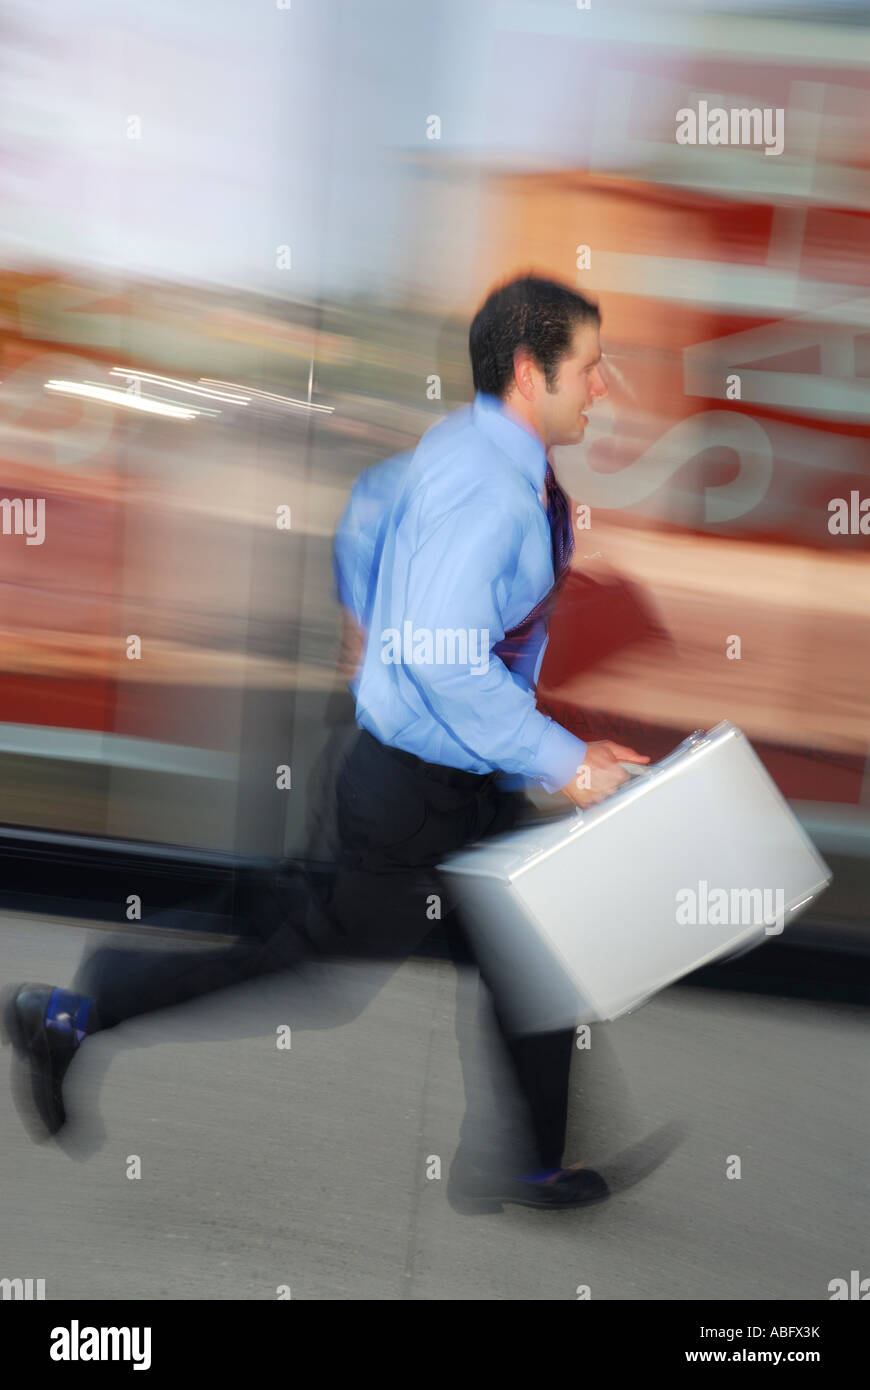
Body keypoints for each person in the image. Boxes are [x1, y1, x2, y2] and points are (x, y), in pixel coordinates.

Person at [6, 274, 649, 1212]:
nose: (603, 386)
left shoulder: (471, 448)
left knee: (532, 943)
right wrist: (569, 761)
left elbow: (367, 507)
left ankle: (531, 1161)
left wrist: (364, 619)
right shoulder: (492, 493)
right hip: (411, 794)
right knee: (305, 962)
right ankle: (79, 1011)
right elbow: (444, 659)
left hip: (452, 777)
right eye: (590, 367)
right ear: (527, 371)